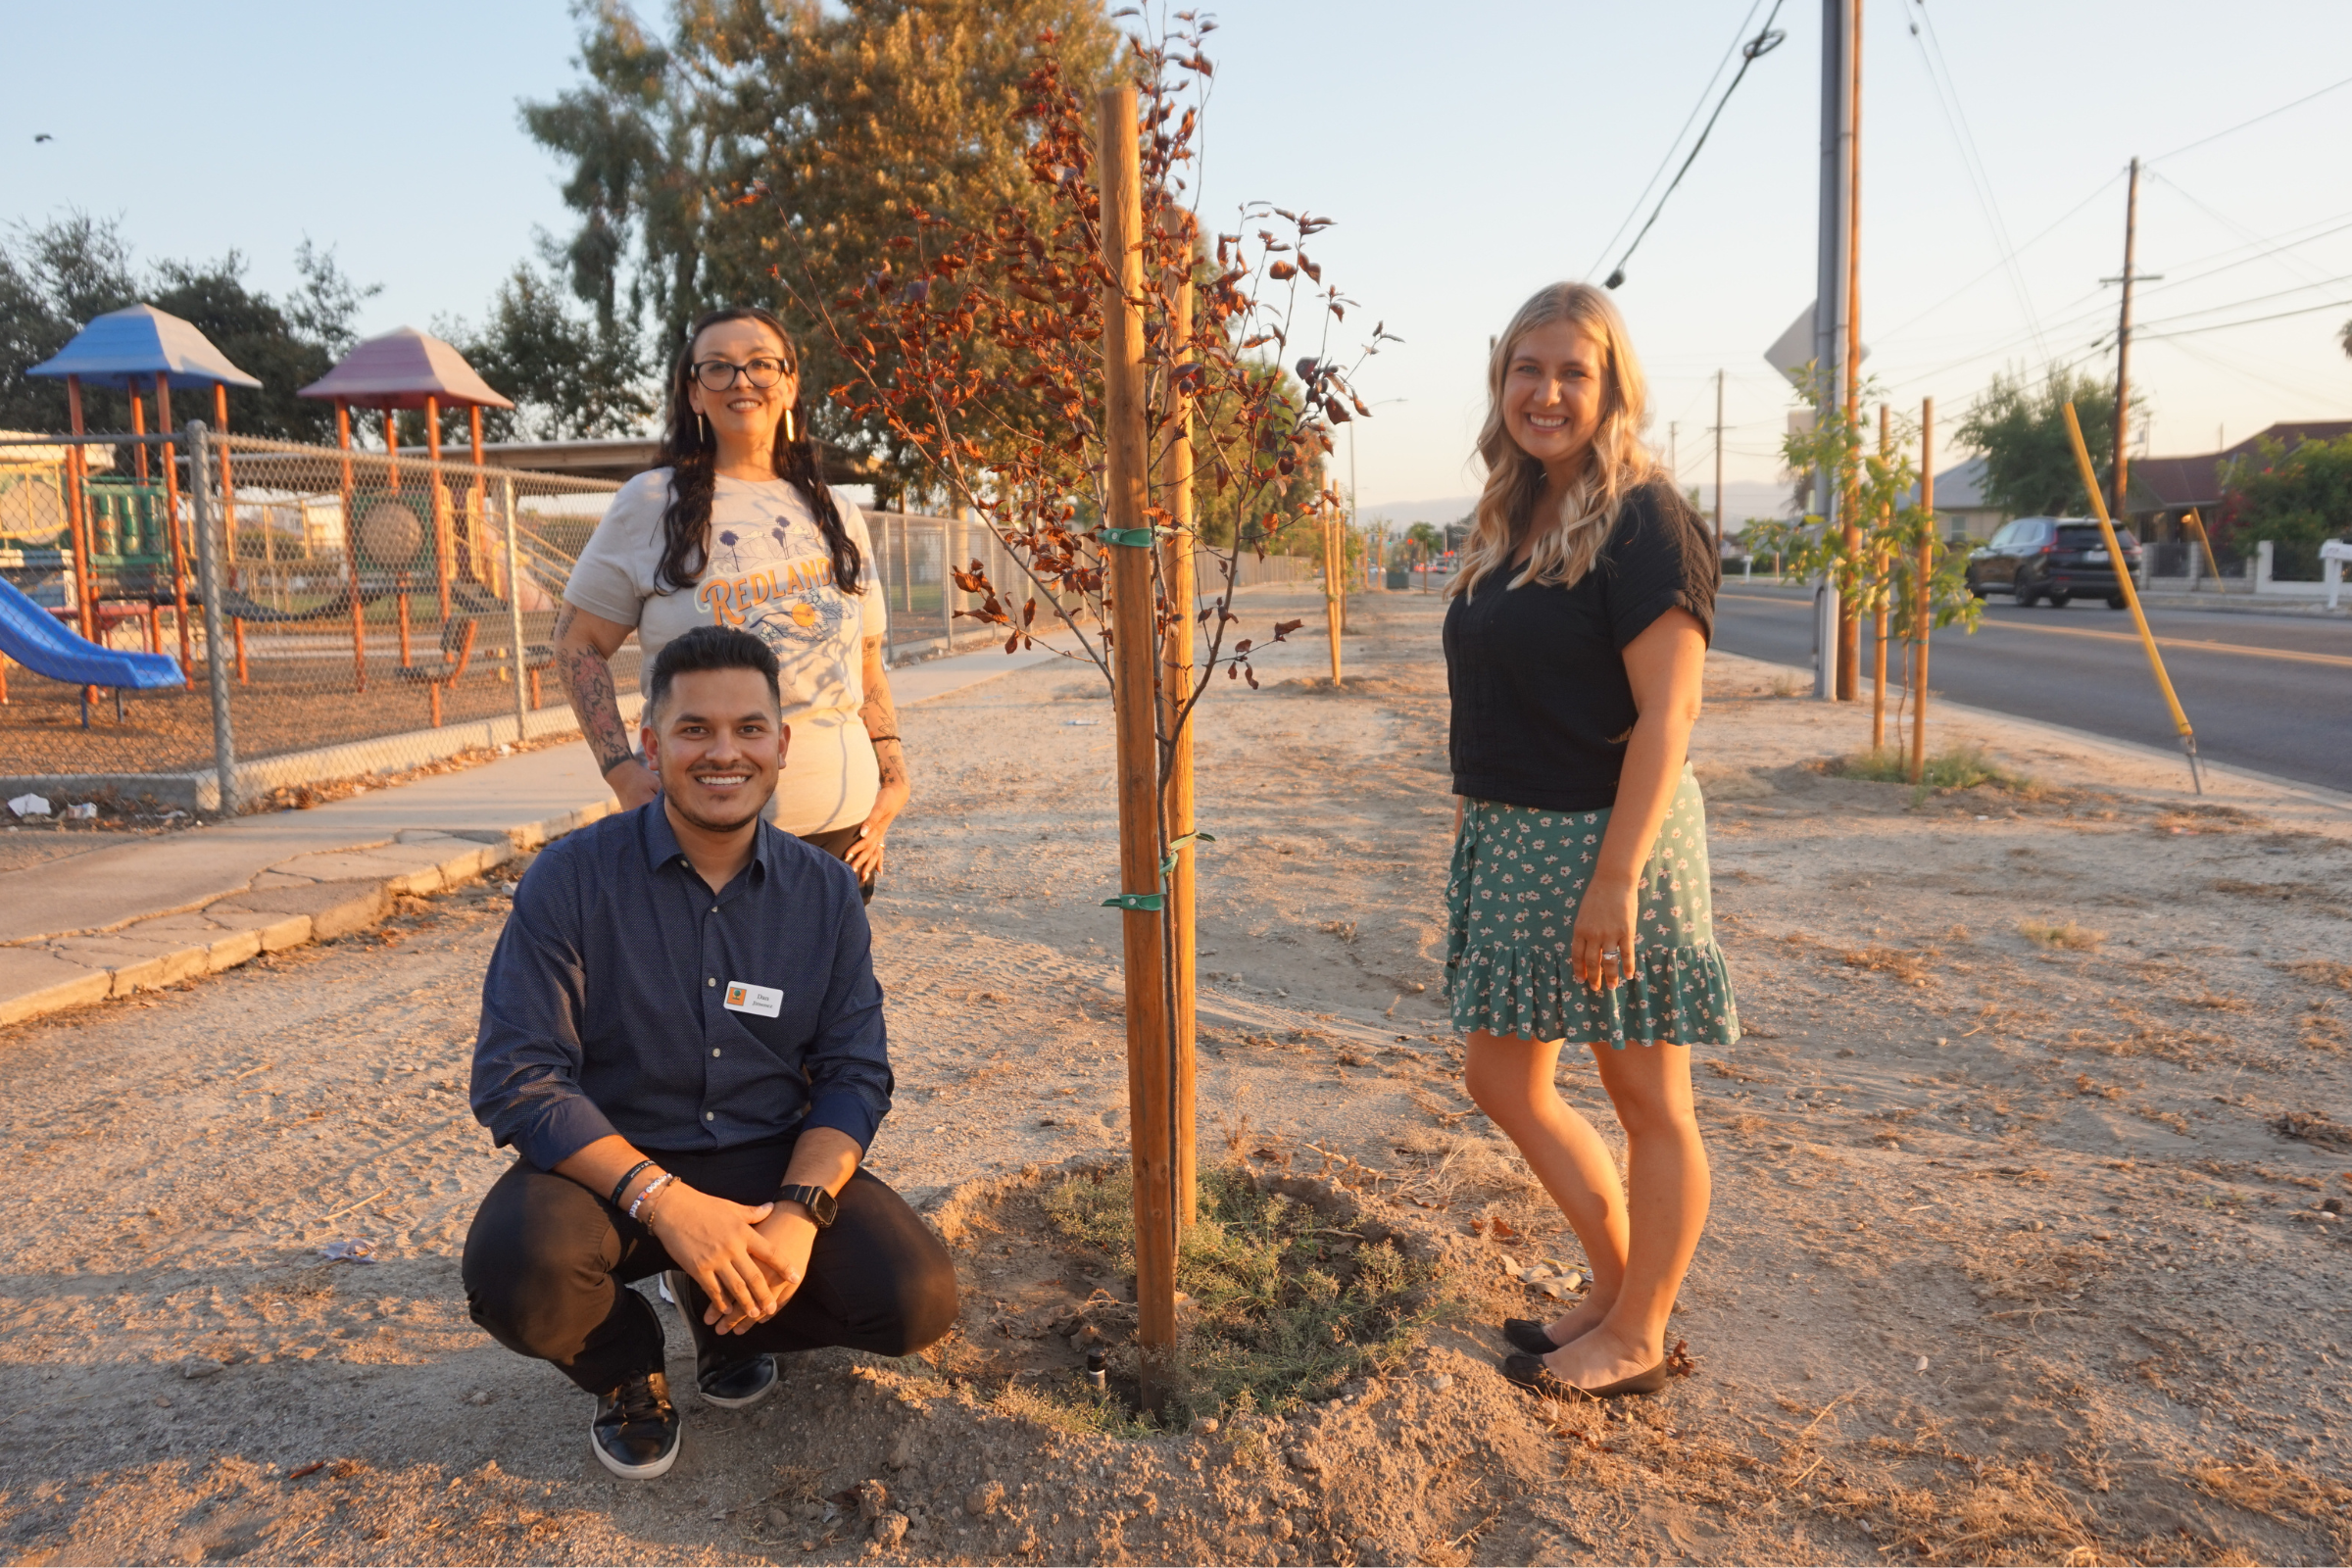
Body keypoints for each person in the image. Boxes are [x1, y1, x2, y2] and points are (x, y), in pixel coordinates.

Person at [462, 625, 957, 1479]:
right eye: (695, 730)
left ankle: (729, 1308)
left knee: (913, 1298)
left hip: (764, 1161)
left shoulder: (826, 892)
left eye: (748, 729)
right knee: (516, 1272)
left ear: (781, 745)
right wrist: (668, 1204)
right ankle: (629, 1366)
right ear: (652, 746)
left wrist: (797, 1216)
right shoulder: (570, 880)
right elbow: (519, 1078)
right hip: (610, 1172)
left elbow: (853, 1074)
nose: (723, 752)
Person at [1442, 282, 1740, 1401]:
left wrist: (1615, 878)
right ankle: (1617, 1286)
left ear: (1612, 387)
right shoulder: (1513, 514)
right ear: (1501, 380)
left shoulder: (1644, 516)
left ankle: (1641, 1329)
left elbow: (1671, 715)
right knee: (1501, 1077)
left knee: (1649, 1098)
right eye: (1528, 368)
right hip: (1515, 842)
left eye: (1574, 372)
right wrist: (1474, 831)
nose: (1548, 392)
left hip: (1616, 845)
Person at [555, 306, 906, 901]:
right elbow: (576, 642)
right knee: (711, 994)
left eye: (761, 366)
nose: (742, 381)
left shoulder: (838, 514)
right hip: (706, 833)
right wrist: (621, 770)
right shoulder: (651, 504)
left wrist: (893, 775)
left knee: (823, 992)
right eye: (718, 368)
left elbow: (865, 661)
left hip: (839, 823)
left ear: (790, 384)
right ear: (694, 393)